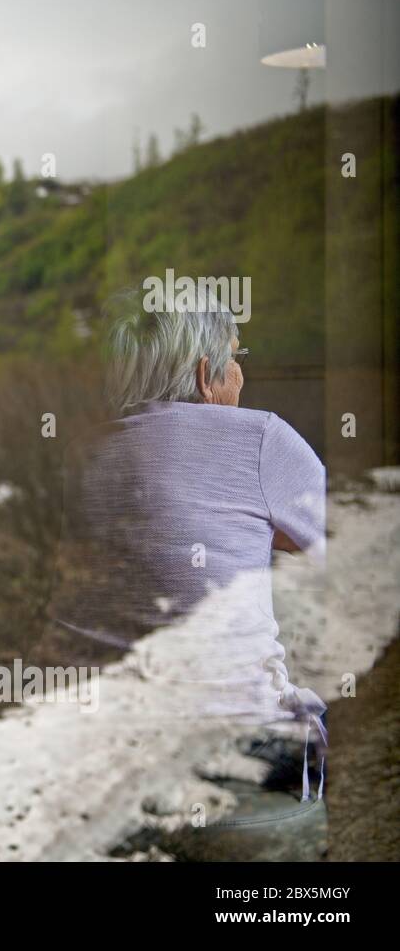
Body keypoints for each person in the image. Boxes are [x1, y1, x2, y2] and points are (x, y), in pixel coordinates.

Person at [45, 286, 328, 856]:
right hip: (238, 770)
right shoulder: (259, 439)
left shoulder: (75, 454)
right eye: (236, 358)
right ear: (207, 373)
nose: (242, 377)